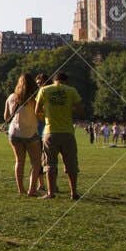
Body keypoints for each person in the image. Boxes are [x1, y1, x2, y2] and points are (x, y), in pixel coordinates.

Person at [35, 70, 83, 200]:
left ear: (54, 80)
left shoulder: (44, 90)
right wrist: (68, 110)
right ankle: (73, 192)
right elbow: (80, 109)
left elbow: (37, 110)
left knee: (49, 163)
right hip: (67, 132)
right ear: (65, 81)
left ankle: (50, 192)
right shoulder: (71, 90)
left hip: (50, 132)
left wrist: (46, 116)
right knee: (71, 164)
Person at [3, 73, 44, 196]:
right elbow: (40, 115)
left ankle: (21, 189)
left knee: (19, 162)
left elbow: (6, 117)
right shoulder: (35, 98)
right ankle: (32, 190)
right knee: (36, 162)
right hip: (31, 133)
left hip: (15, 133)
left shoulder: (11, 97)